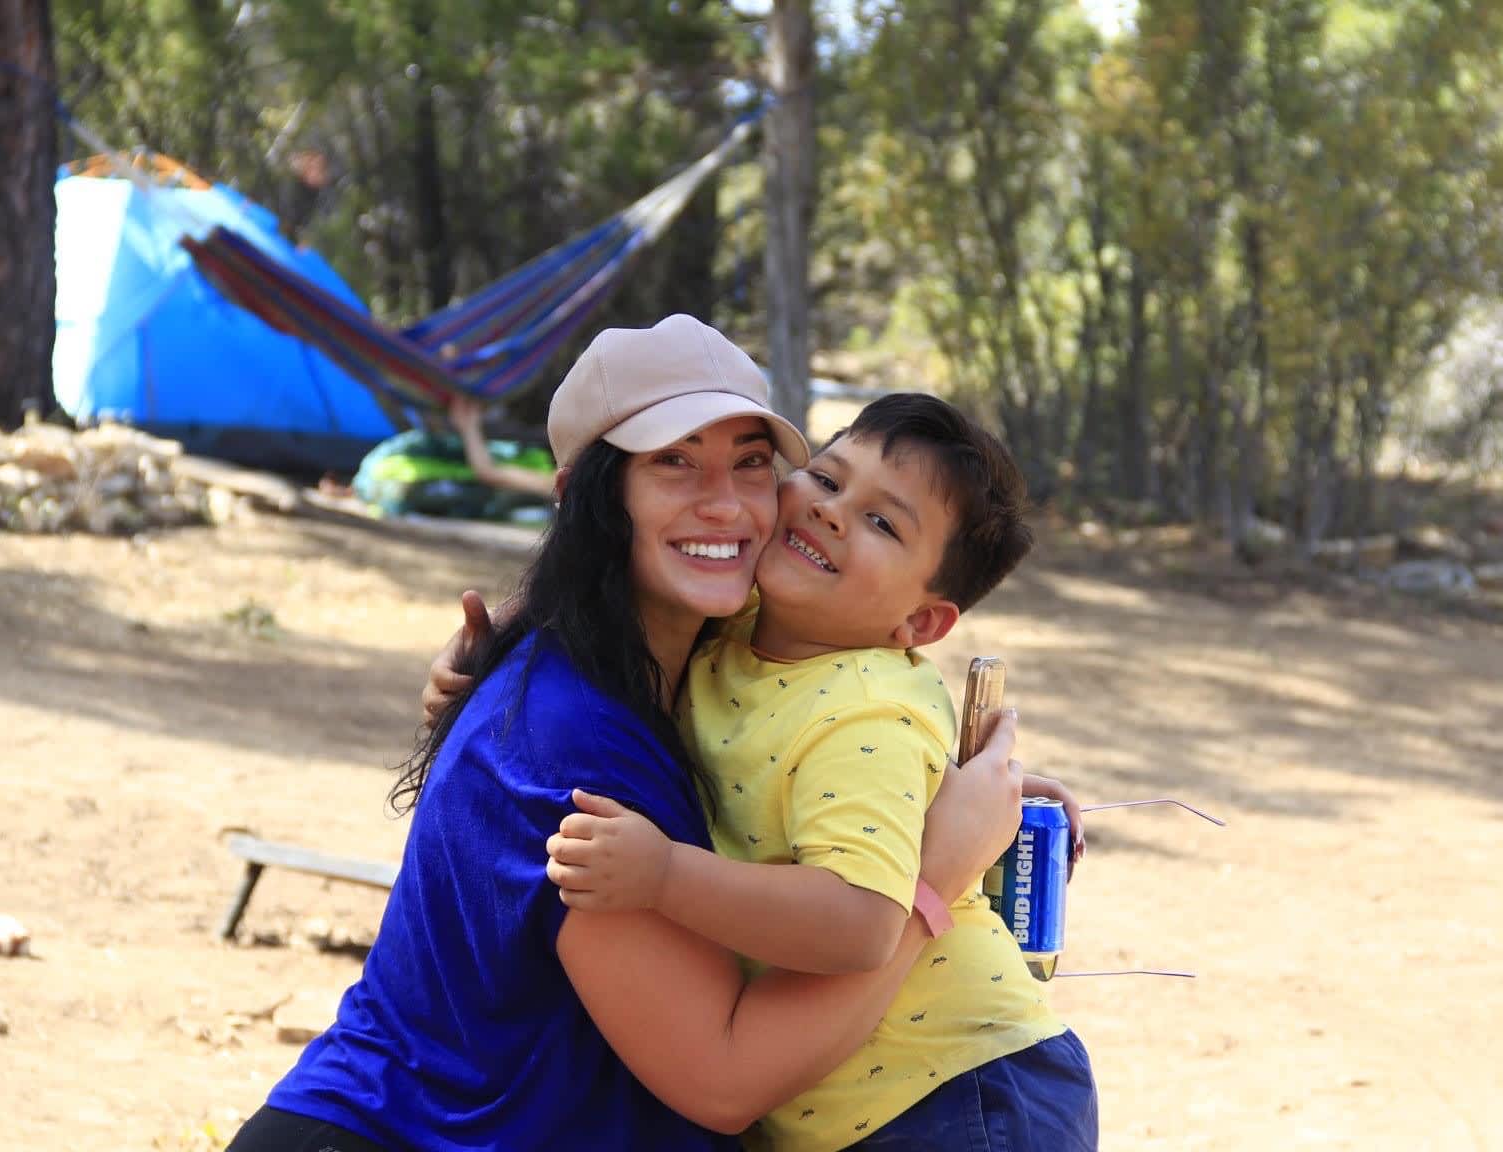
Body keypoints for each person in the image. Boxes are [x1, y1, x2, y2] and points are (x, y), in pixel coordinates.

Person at [226, 315, 1027, 1152]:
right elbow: (721, 1078)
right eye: (673, 461)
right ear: (594, 495)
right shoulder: (568, 746)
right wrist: (934, 874)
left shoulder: (695, 668)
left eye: (751, 463)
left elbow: (847, 724)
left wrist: (957, 782)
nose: (724, 501)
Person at [431, 395, 1099, 1150]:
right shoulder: (743, 623)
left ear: (919, 626)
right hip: (873, 1107)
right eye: (826, 478)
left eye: (883, 523)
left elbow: (858, 922)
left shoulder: (868, 711)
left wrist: (666, 877)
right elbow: (631, 576)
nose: (833, 513)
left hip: (965, 1095)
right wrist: (481, 664)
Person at [444, 394, 558, 500]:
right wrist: (469, 426)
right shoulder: (566, 482)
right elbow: (489, 472)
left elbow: (489, 472)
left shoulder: (567, 483)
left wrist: (469, 426)